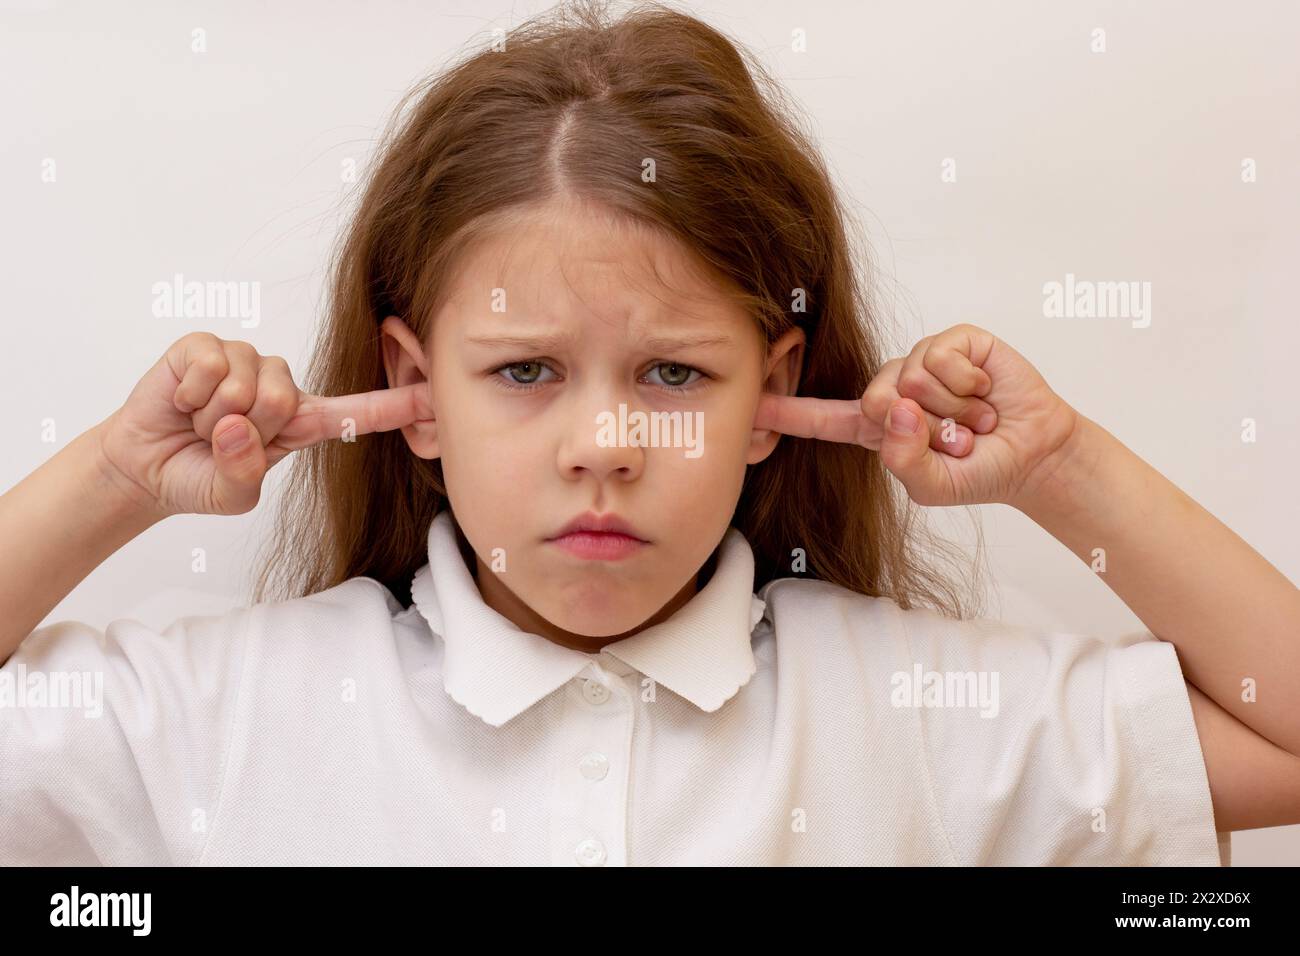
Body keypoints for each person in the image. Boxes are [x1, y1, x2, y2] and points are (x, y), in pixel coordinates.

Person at [2, 0, 1297, 865]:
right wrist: (121, 477)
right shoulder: (227, 713)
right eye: (524, 372)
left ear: (772, 398)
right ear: (413, 392)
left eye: (675, 373)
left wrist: (1059, 467)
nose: (604, 442)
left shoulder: (923, 710)